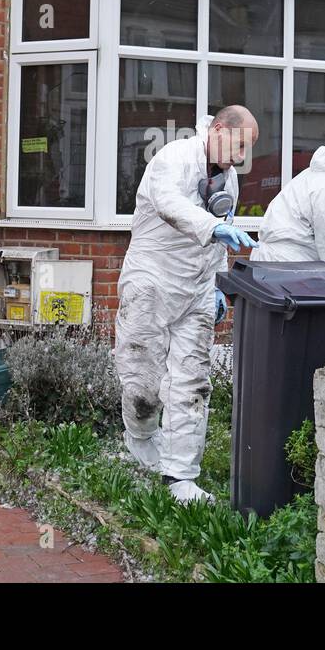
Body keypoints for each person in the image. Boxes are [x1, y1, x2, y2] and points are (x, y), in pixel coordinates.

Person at [113, 105, 259, 504]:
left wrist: (216, 285)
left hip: (194, 290)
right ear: (217, 129)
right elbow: (170, 204)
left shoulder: (227, 177)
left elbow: (218, 241)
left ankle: (180, 477)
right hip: (152, 282)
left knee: (192, 381)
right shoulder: (172, 158)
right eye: (240, 144)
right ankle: (140, 438)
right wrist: (213, 227)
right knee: (142, 379)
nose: (242, 157)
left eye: (248, 148)